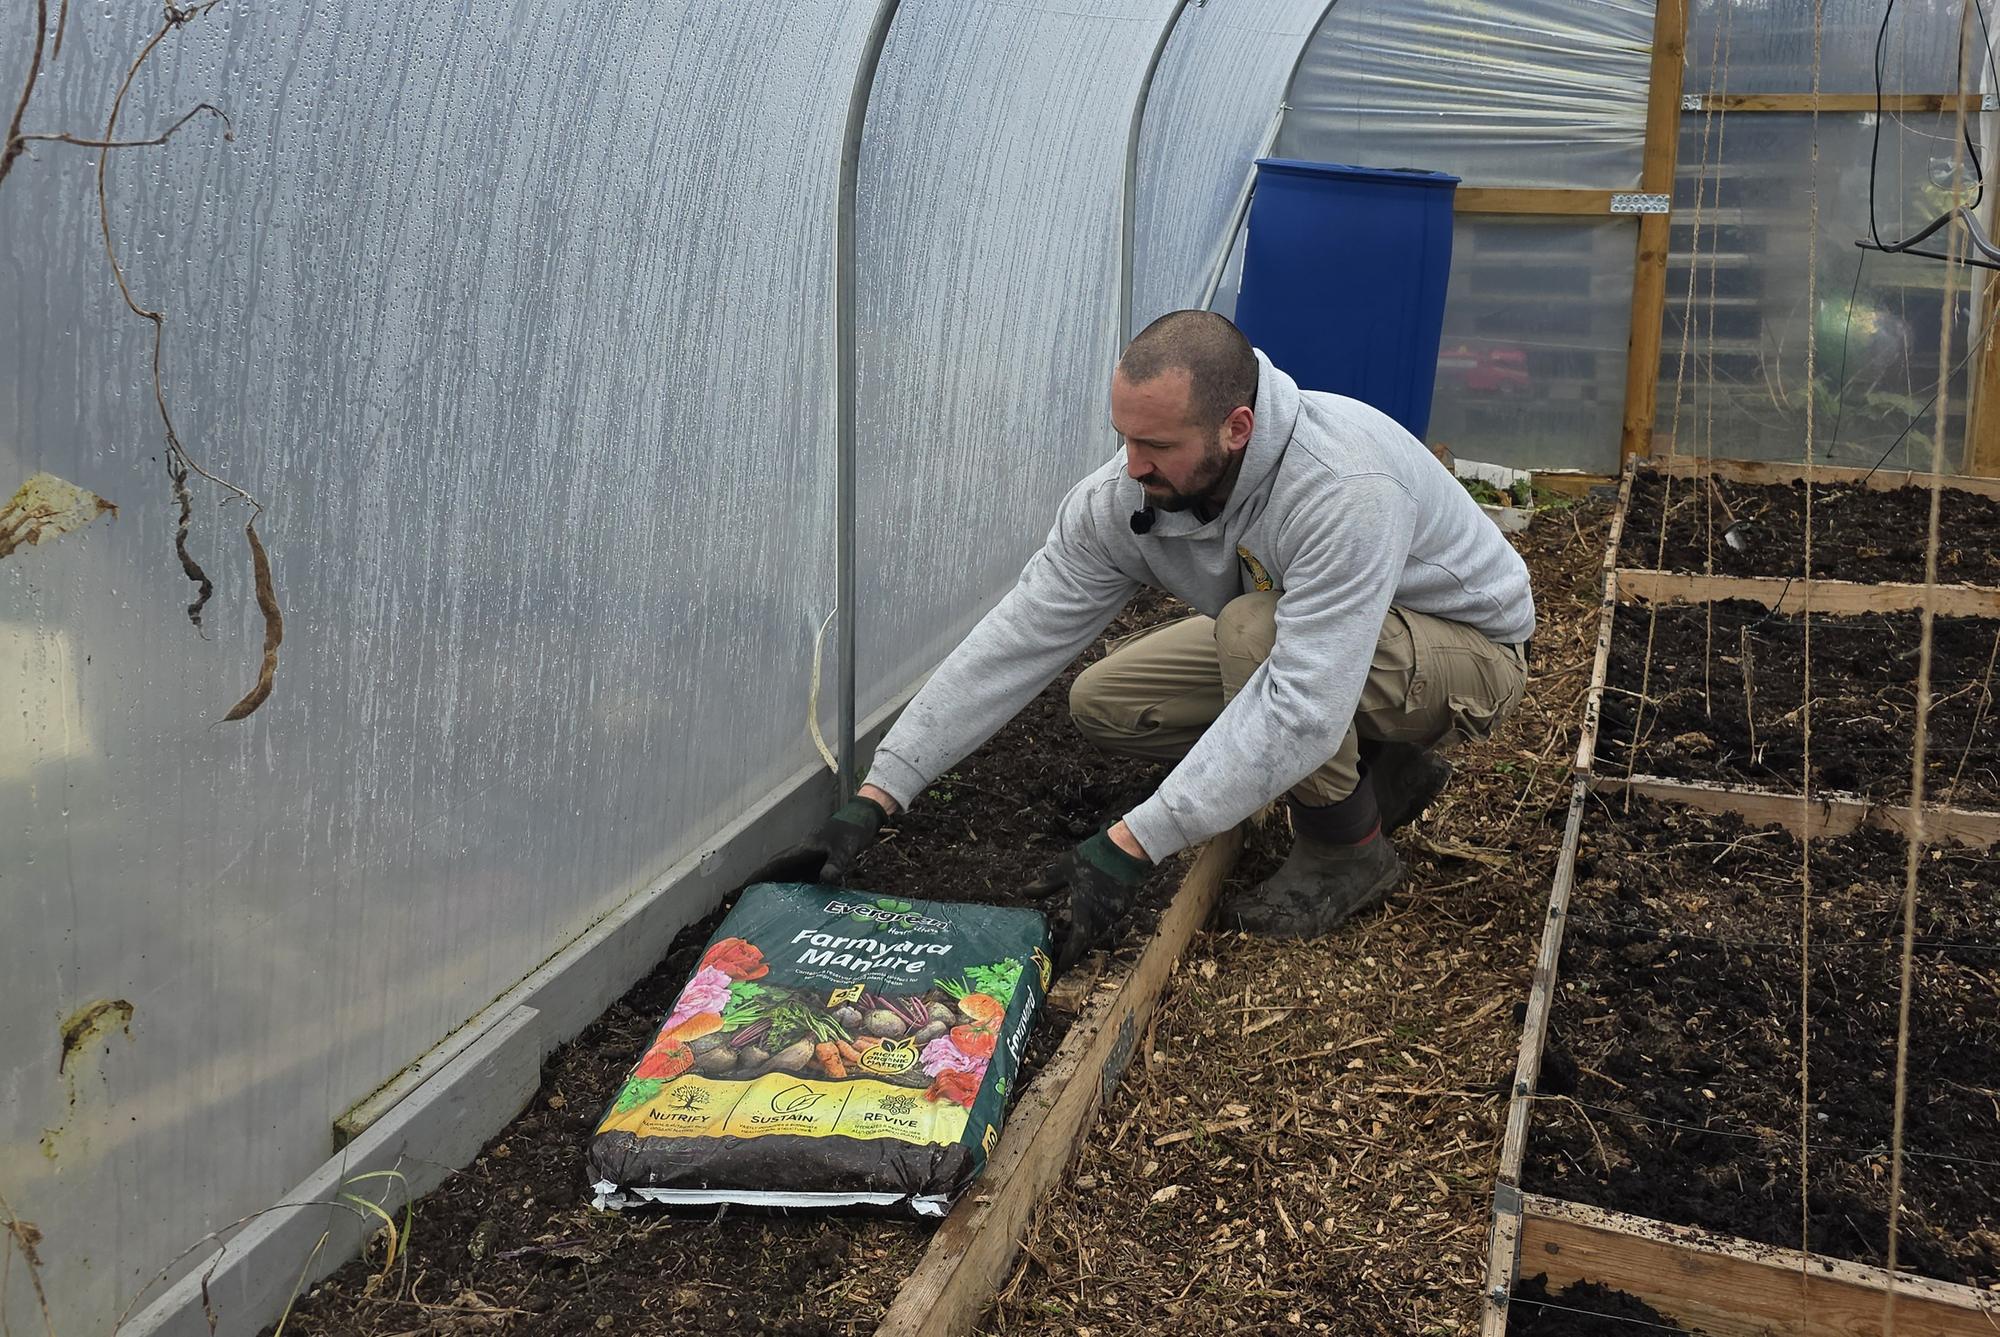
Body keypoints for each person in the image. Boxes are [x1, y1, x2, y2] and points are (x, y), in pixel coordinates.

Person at [758, 310, 1535, 968]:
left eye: (1157, 446)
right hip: (1322, 638)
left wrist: (1131, 846)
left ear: (1237, 428)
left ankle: (1347, 847)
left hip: (1469, 654)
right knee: (1108, 701)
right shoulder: (1124, 499)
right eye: (1125, 437)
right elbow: (1018, 636)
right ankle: (1379, 767)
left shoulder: (1341, 486)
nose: (1133, 466)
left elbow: (1300, 704)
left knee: (1252, 631)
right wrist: (879, 793)